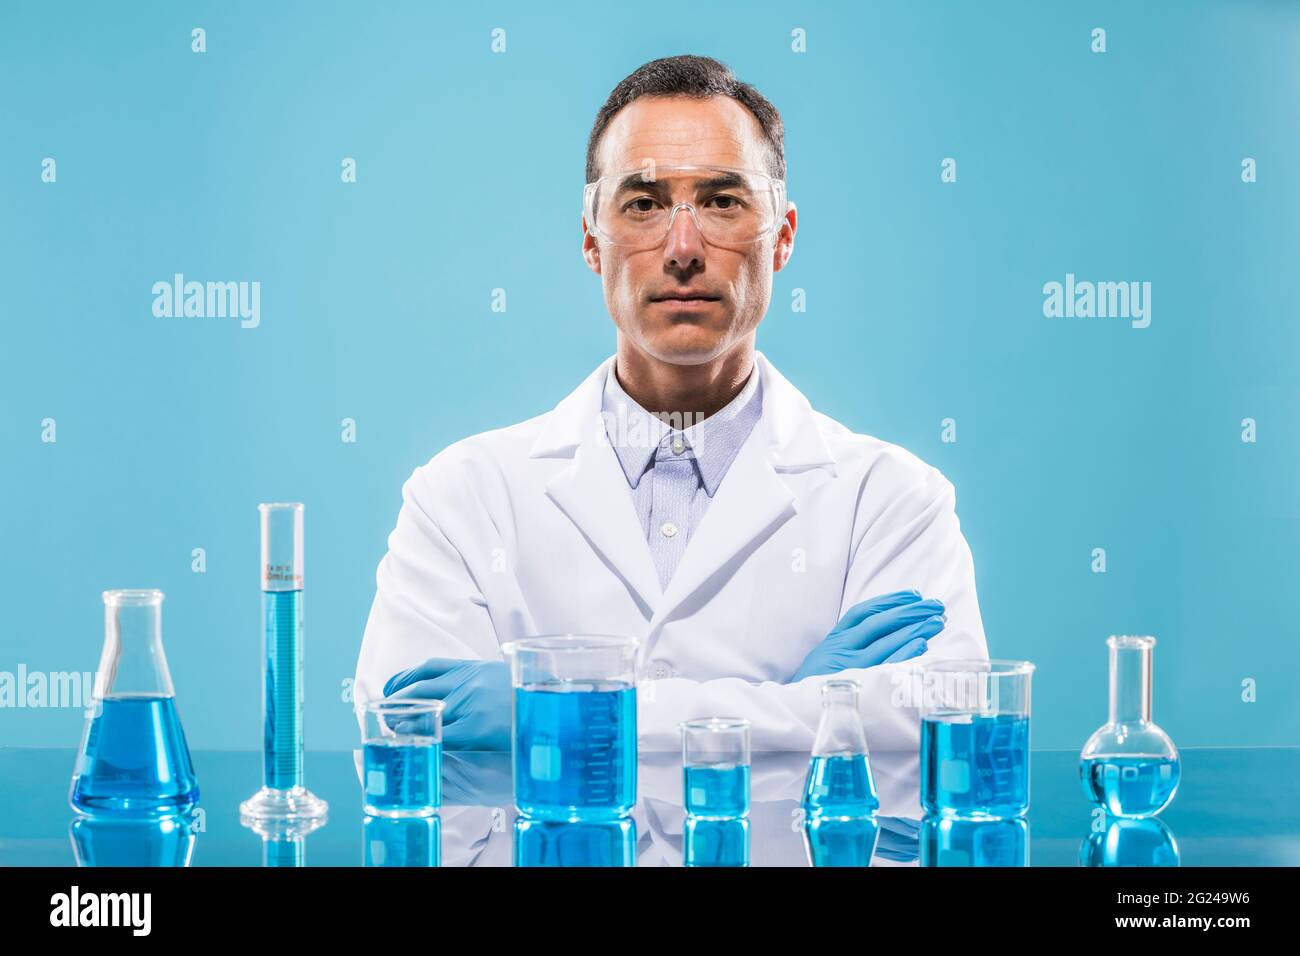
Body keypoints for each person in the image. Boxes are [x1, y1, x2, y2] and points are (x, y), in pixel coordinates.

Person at [353, 54, 988, 753]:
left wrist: (555, 711)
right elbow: (402, 729)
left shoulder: (893, 501)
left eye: (722, 201)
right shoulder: (461, 496)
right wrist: (805, 707)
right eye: (644, 204)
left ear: (781, 236)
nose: (683, 249)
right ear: (592, 240)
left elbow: (939, 726)